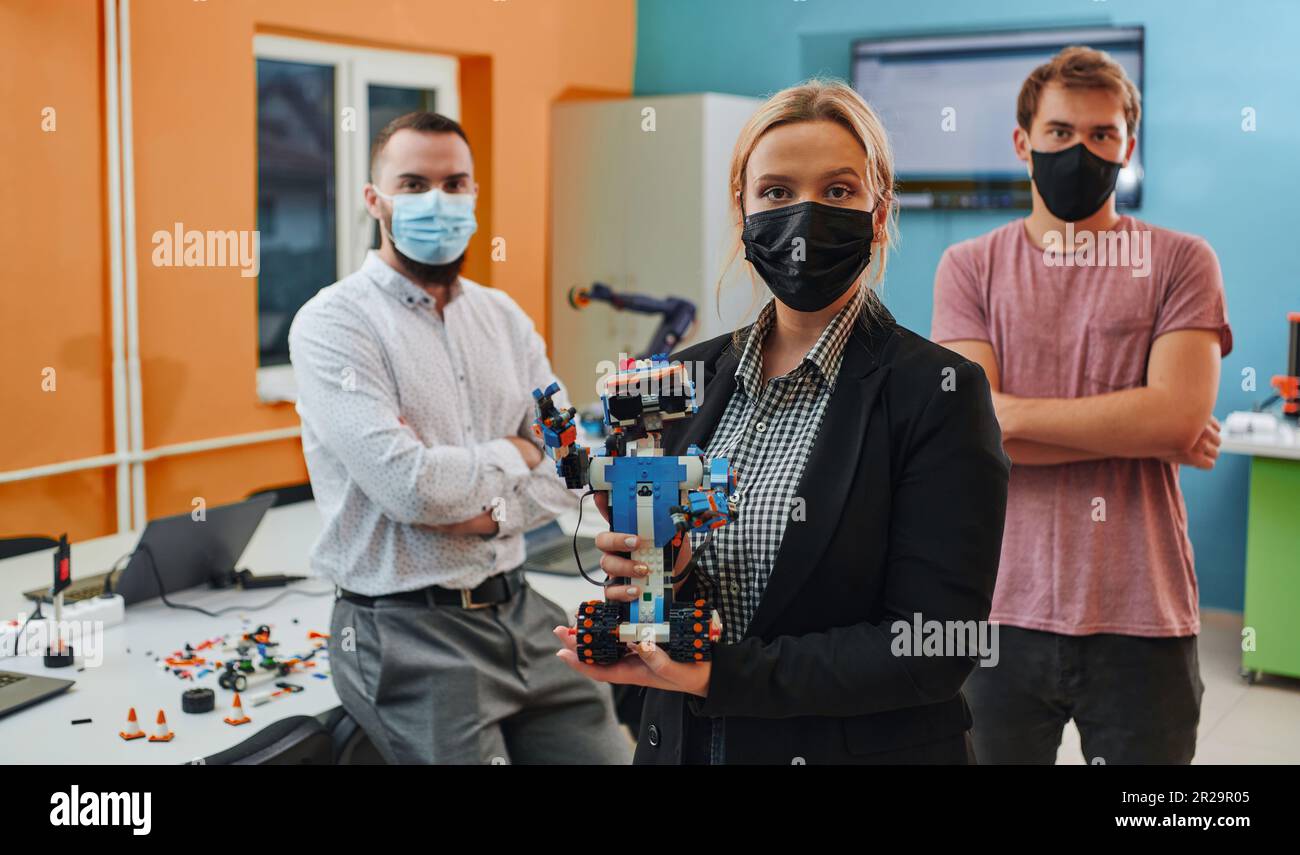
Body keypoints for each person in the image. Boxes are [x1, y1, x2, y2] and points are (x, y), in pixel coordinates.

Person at [550, 80, 1011, 764]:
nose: (804, 216)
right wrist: (663, 571)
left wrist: (720, 675)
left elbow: (933, 644)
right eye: (776, 192)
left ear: (879, 215)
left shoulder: (937, 393)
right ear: (742, 210)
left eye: (838, 191)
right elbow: (690, 596)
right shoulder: (684, 380)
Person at [289, 112, 629, 764]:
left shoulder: (503, 319)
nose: (435, 201)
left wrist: (490, 511)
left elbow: (569, 457)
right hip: (403, 629)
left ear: (474, 194)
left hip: (521, 609)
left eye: (453, 184)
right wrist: (517, 449)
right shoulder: (334, 324)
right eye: (413, 184)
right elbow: (412, 488)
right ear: (374, 199)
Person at [932, 47, 1232, 764]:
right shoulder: (969, 267)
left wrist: (1164, 425)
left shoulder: (1183, 261)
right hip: (998, 609)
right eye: (1061, 132)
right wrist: (1147, 427)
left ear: (1128, 145)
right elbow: (973, 433)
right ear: (1023, 141)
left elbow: (1175, 418)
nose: (1082, 150)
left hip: (1144, 616)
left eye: (1103, 135)